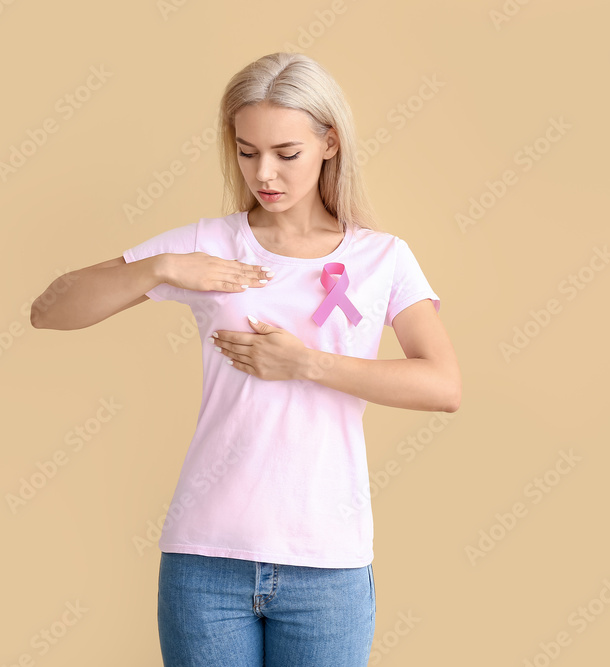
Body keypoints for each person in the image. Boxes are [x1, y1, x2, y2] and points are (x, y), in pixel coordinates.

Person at [30, 51, 461, 667]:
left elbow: (443, 385)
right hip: (206, 562)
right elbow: (50, 310)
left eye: (287, 153)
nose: (265, 173)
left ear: (330, 143)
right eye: (247, 151)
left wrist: (306, 364)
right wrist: (162, 267)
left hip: (327, 565)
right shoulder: (208, 244)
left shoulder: (382, 257)